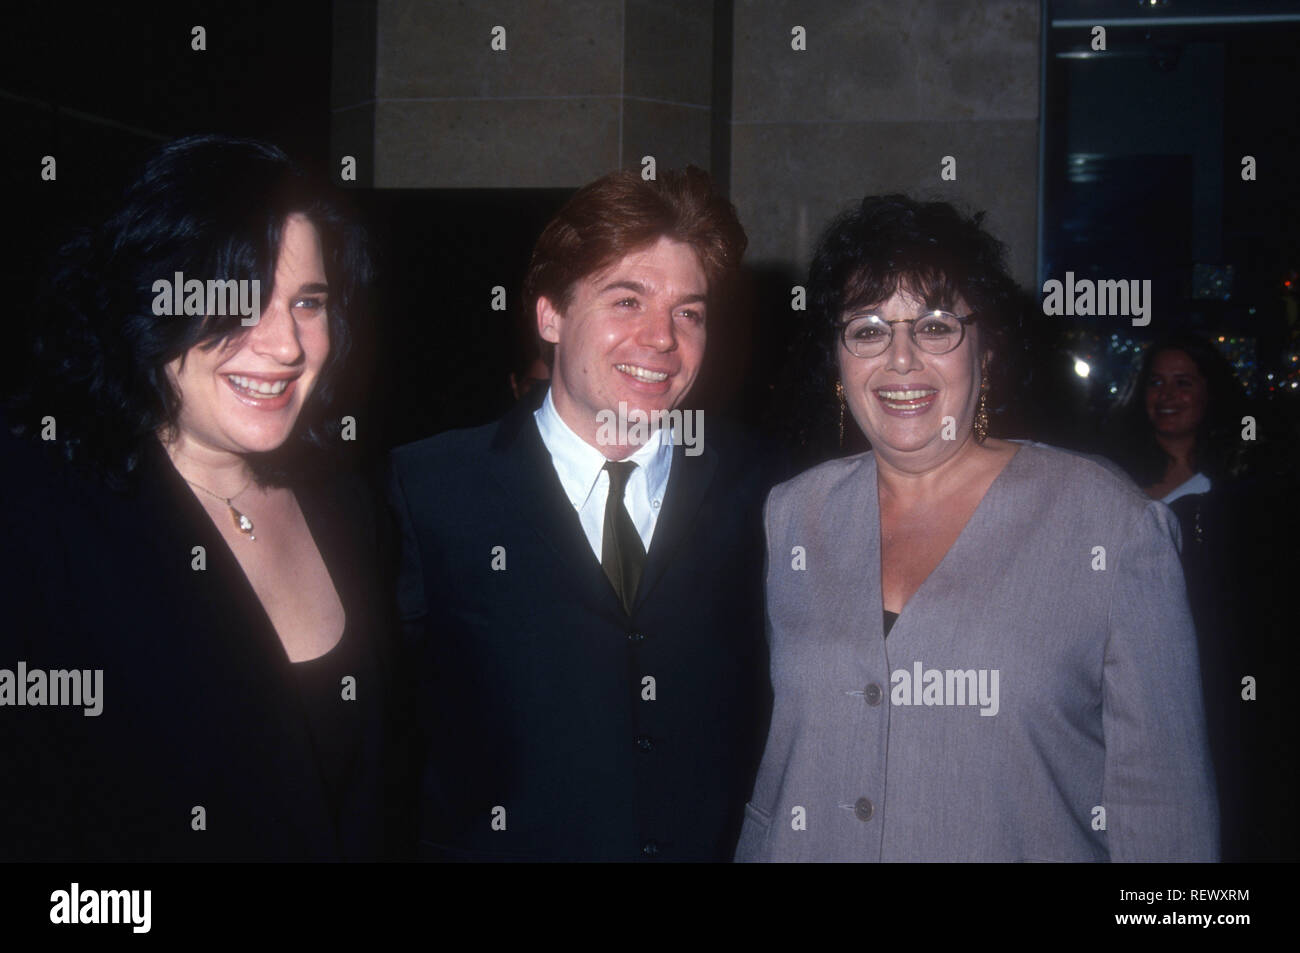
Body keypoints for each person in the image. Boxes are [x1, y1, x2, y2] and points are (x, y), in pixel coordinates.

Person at [735, 195, 1218, 862]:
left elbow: (1167, 812)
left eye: (935, 327)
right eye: (869, 329)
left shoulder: (1107, 522)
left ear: (985, 350)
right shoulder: (791, 515)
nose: (900, 358)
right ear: (840, 362)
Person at [0, 135, 412, 861]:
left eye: (308, 302)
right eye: (240, 298)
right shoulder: (38, 511)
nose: (286, 343)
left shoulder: (351, 508)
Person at [388, 166, 772, 861]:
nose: (662, 337)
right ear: (550, 314)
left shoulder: (762, 493)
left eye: (689, 311)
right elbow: (378, 743)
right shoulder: (431, 490)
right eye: (627, 300)